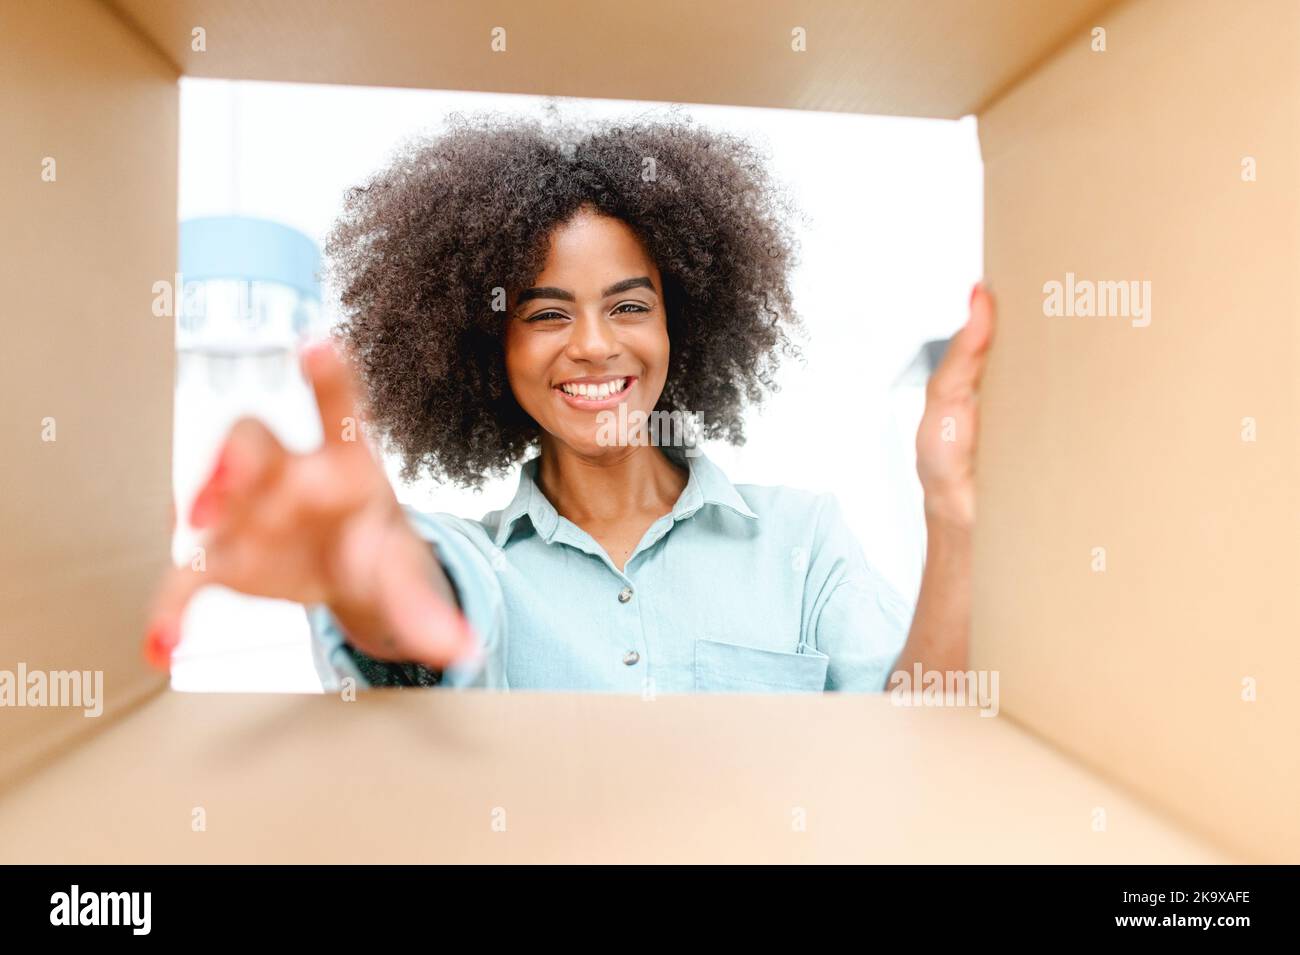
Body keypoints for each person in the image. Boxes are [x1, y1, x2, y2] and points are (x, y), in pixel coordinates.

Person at [144, 112, 995, 693]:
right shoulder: (480, 564)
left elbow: (915, 730)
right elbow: (417, 607)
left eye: (629, 304)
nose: (592, 344)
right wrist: (368, 591)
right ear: (490, 350)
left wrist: (952, 514)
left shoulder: (802, 541)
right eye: (546, 313)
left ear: (682, 322)